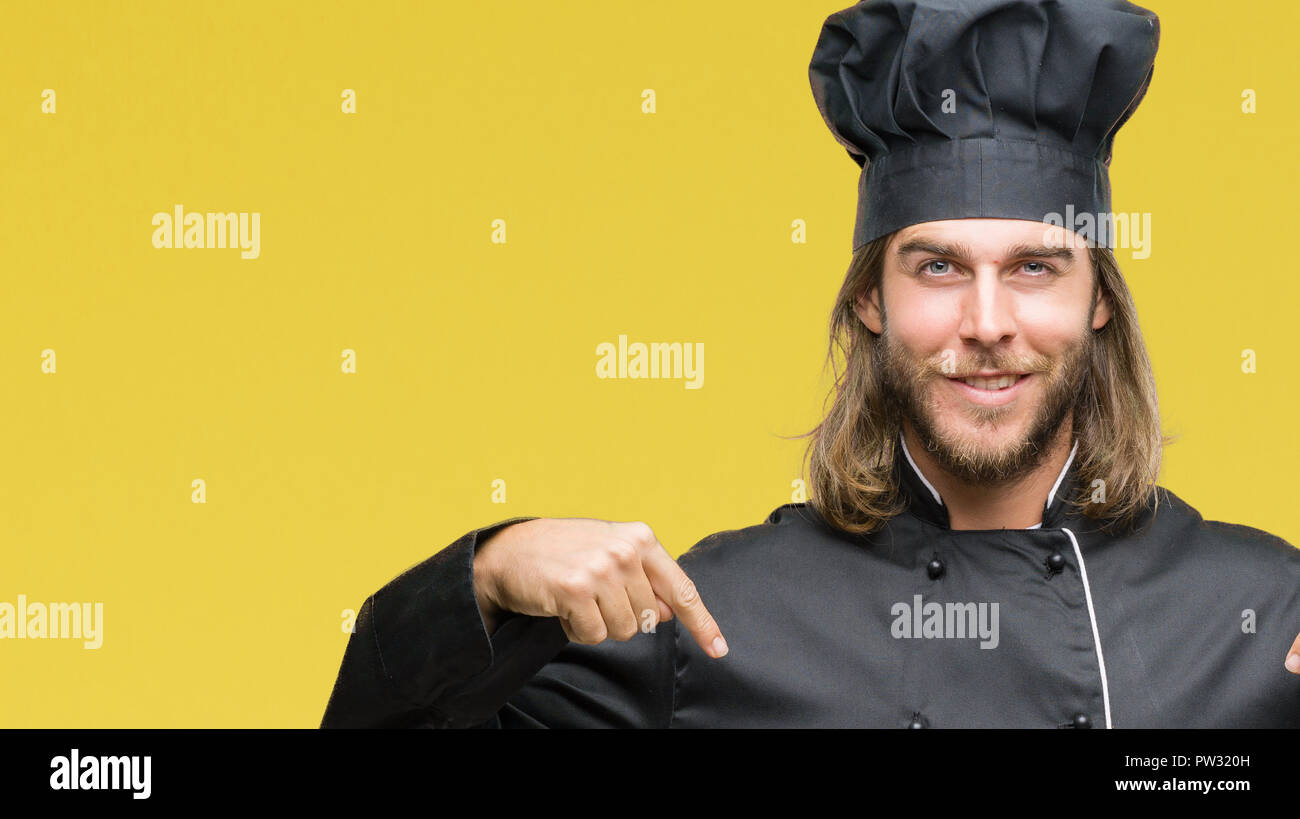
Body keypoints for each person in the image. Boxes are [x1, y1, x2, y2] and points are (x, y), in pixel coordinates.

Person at [320, 0, 1300, 728]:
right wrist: (485, 579)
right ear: (871, 300)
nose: (988, 320)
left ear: (1096, 302)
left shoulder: (1258, 614)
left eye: (1035, 267)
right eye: (938, 268)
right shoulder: (714, 623)